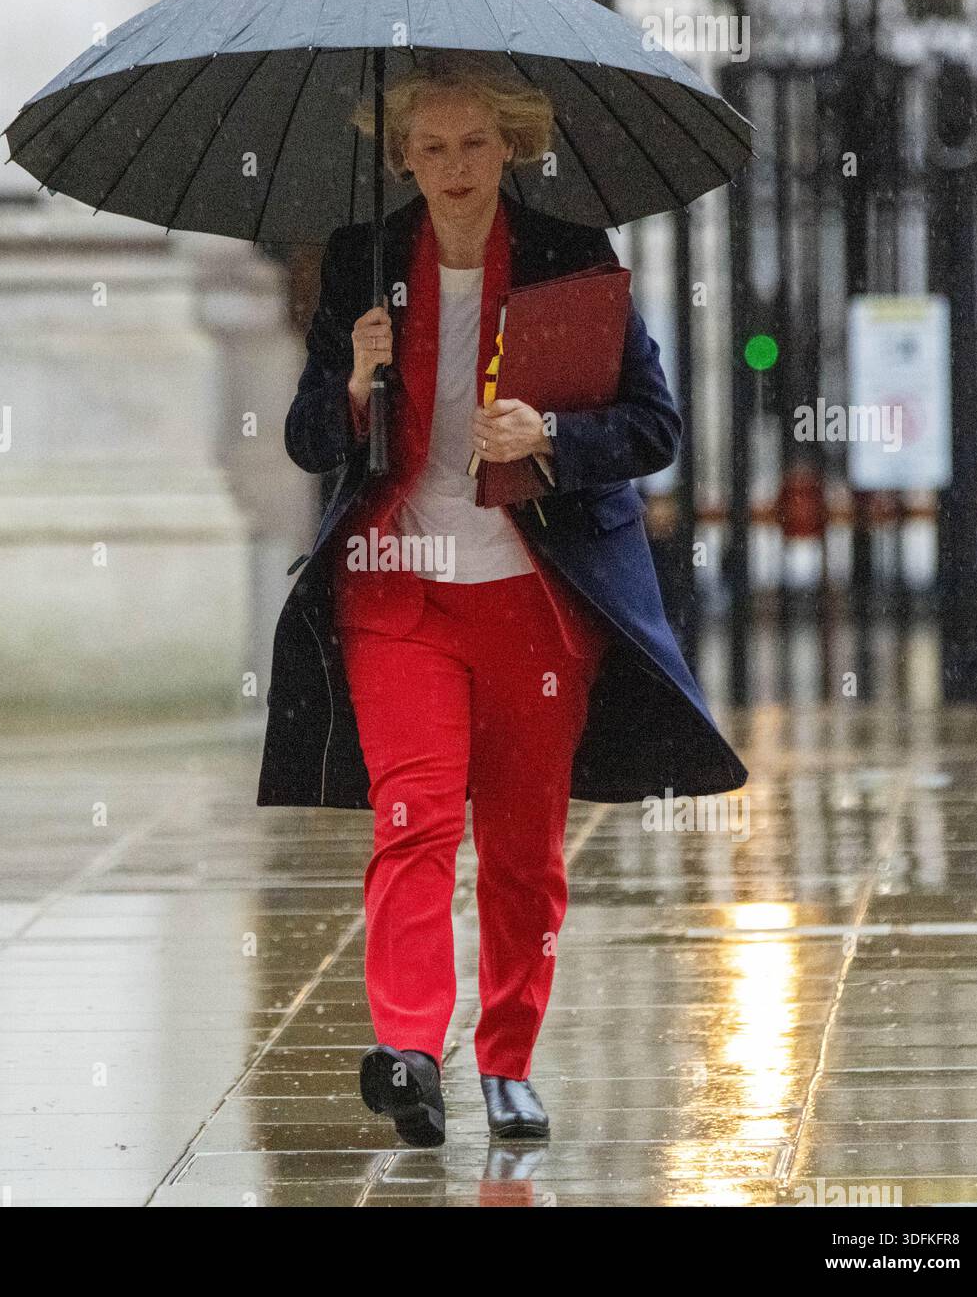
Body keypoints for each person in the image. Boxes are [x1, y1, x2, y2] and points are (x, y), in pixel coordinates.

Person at [256, 55, 748, 1148]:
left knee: (523, 850)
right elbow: (307, 441)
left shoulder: (573, 258)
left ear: (513, 146)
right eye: (431, 147)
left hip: (535, 599)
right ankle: (409, 1051)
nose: (454, 166)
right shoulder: (361, 262)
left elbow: (655, 428)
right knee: (415, 818)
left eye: (474, 142)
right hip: (399, 594)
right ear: (401, 157)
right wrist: (352, 381)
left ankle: (508, 1060)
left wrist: (551, 435)